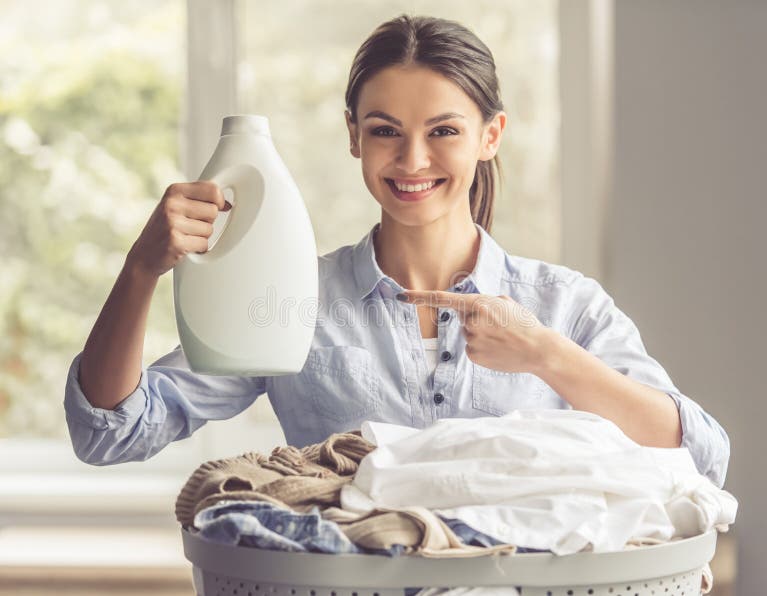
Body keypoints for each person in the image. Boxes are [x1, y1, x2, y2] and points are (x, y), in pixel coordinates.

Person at [64, 14, 729, 488]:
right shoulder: (296, 303)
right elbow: (109, 431)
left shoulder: (565, 306)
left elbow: (699, 454)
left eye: (444, 130)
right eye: (386, 131)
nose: (413, 160)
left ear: (490, 135)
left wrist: (545, 355)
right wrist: (141, 271)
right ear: (353, 135)